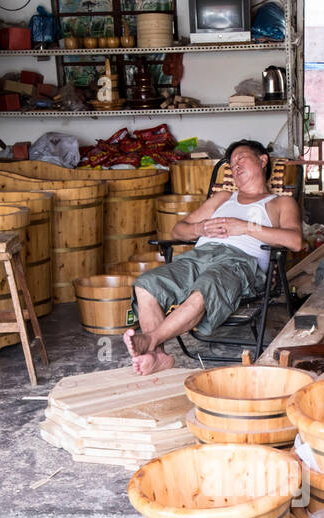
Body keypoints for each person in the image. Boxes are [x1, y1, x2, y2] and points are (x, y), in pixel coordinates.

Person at [123, 140, 303, 374]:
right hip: (198, 258)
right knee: (146, 284)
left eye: (241, 159)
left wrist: (246, 227)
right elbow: (178, 230)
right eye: (231, 164)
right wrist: (201, 229)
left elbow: (295, 241)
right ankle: (158, 356)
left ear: (262, 160)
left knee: (207, 285)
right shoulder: (223, 198)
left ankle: (150, 339)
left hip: (238, 263)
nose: (235, 166)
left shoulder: (280, 202)